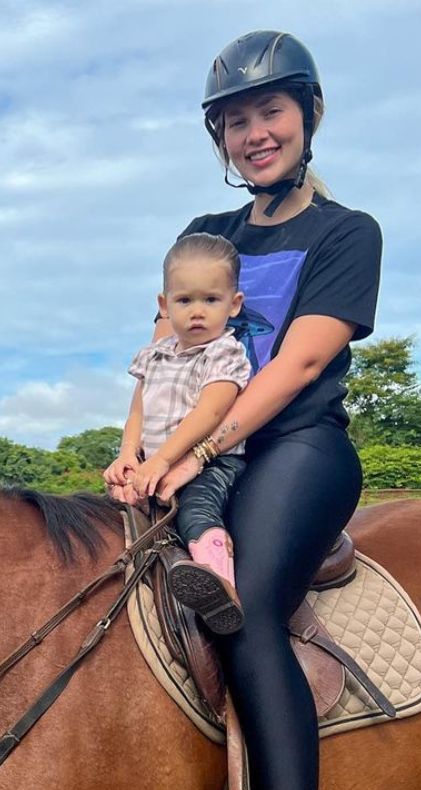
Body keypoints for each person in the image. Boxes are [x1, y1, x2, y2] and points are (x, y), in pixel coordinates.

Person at [111, 30, 381, 790]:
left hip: (295, 448)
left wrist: (198, 454)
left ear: (309, 115)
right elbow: (161, 358)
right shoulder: (209, 236)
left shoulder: (346, 233)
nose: (255, 134)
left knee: (247, 608)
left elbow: (296, 365)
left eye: (272, 111)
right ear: (221, 139)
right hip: (197, 452)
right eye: (236, 122)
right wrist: (139, 452)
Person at [103, 232, 251, 635]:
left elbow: (211, 410)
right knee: (113, 512)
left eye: (211, 300)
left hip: (210, 463)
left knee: (196, 510)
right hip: (154, 462)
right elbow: (139, 408)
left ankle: (217, 582)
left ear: (233, 304)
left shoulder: (225, 352)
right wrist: (128, 455)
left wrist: (165, 459)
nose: (197, 312)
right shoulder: (154, 355)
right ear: (165, 306)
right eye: (185, 301)